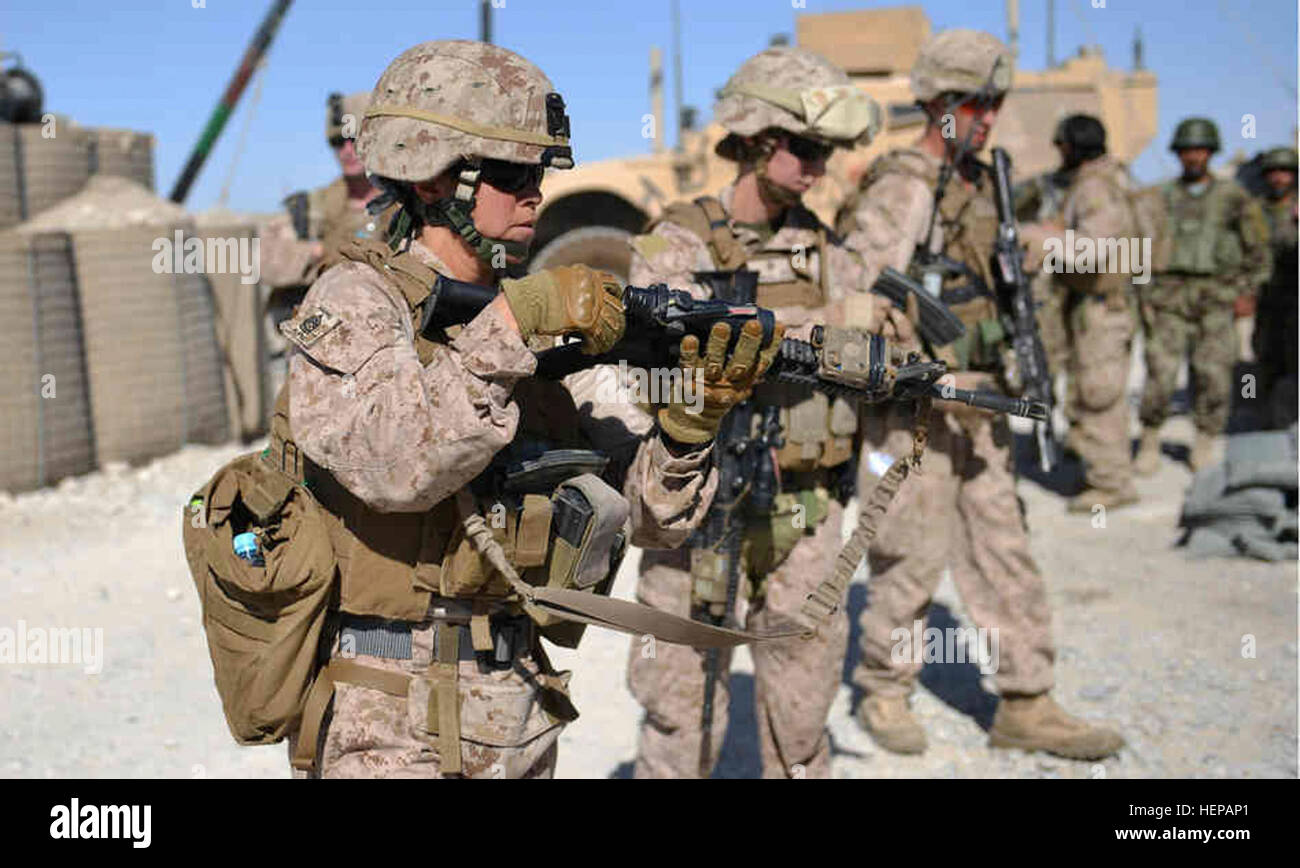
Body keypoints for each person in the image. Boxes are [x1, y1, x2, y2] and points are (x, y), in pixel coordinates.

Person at [277, 40, 772, 778]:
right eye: (512, 175)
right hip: (390, 717)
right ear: (435, 178)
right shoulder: (357, 302)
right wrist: (511, 327)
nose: (535, 193)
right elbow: (395, 466)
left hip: (517, 705)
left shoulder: (541, 312)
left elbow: (650, 516)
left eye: (539, 172)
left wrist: (689, 427)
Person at [836, 29, 1124, 760]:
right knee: (909, 551)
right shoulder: (905, 183)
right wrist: (911, 354)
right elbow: (854, 296)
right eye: (972, 103)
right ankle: (884, 686)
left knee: (1004, 546)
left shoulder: (976, 184)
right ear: (935, 104)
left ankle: (1026, 698)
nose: (988, 116)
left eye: (995, 101)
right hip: (917, 408)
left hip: (985, 403)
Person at [623, 46, 907, 779]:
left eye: (829, 151)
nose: (820, 167)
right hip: (701, 497)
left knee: (803, 707)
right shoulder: (677, 238)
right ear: (754, 140)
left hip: (803, 504)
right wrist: (831, 325)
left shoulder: (823, 243)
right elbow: (668, 342)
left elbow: (874, 345)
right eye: (808, 148)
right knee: (679, 708)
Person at [1133, 118, 1271, 473]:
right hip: (1169, 296)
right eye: (1187, 151)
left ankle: (1205, 439)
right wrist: (1143, 290)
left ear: (1210, 153)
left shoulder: (1234, 197)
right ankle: (1150, 439)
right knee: (1160, 372)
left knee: (1214, 373)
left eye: (1200, 150)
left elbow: (1258, 248)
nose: (1193, 157)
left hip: (1216, 296)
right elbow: (1141, 246)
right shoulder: (1161, 196)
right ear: (1178, 155)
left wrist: (1247, 290)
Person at [1020, 114, 1142, 511]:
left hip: (1103, 307)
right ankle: (1096, 466)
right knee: (1090, 390)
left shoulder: (1094, 186)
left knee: (1099, 393)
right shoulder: (1105, 180)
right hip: (1095, 304)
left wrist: (1037, 238)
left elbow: (1091, 249)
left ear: (1071, 147)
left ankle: (1111, 485)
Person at [259, 92, 387, 399]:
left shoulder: (408, 201)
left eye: (353, 139)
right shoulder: (313, 207)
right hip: (324, 341)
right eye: (336, 143)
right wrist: (322, 254)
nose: (346, 151)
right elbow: (267, 260)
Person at [1251, 146, 1298, 428]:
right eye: (1274, 173)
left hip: (1296, 295)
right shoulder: (1254, 210)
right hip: (1265, 296)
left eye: (1285, 172)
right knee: (1266, 357)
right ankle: (1271, 421)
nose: (1279, 178)